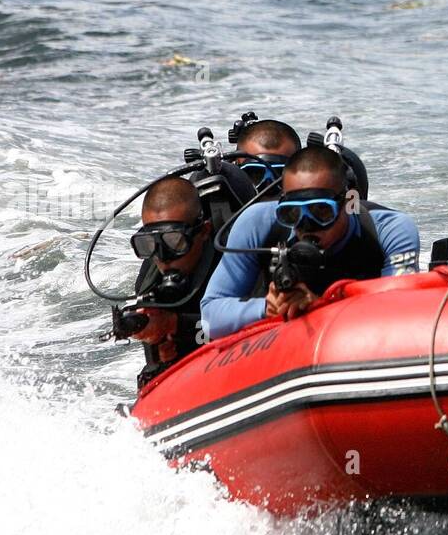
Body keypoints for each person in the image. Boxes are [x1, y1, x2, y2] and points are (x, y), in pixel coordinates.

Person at [201, 145, 419, 339]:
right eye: (292, 214)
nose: (306, 226)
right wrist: (267, 308)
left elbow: (399, 309)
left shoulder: (390, 230)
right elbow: (210, 317)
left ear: (347, 202)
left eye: (321, 211)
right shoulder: (256, 223)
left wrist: (319, 306)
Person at [125, 176, 217, 389]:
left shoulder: (234, 261)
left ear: (203, 231)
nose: (163, 258)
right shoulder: (149, 280)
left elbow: (255, 326)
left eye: (175, 242)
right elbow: (156, 360)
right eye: (150, 245)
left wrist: (177, 325)